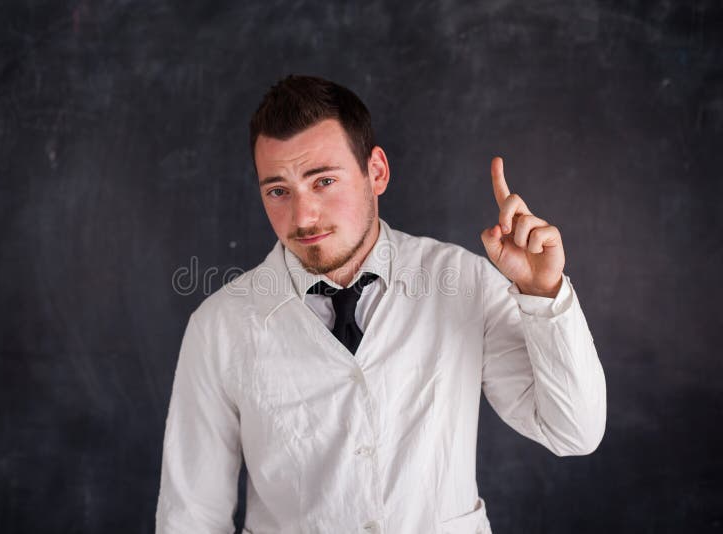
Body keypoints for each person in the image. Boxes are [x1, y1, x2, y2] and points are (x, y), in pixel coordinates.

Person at [155, 75, 606, 534]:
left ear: (377, 172)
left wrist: (543, 293)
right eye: (278, 191)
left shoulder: (463, 282)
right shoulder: (219, 326)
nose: (303, 216)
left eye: (324, 181)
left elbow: (573, 432)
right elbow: (190, 517)